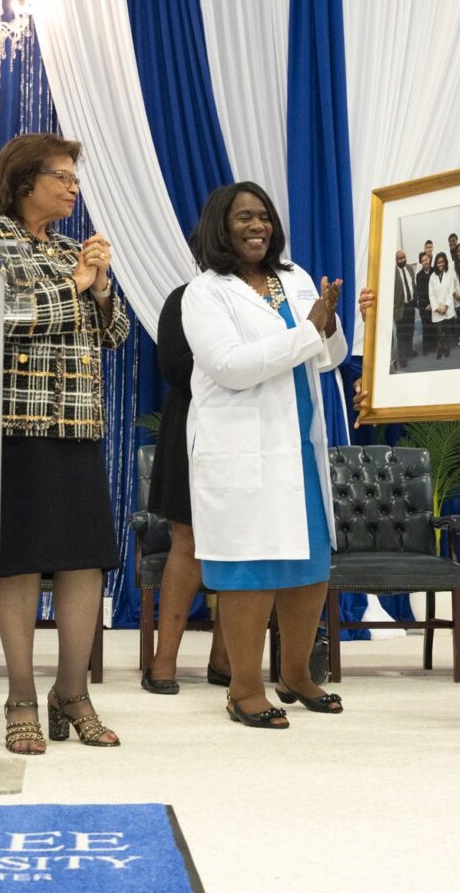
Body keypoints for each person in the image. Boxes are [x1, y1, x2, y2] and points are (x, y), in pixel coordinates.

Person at [0, 132, 130, 753]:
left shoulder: (67, 249)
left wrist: (103, 284)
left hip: (79, 422)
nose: (72, 188)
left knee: (84, 559)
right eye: (61, 176)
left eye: (74, 179)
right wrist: (76, 287)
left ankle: (74, 691)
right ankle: (22, 699)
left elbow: (114, 335)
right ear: (23, 180)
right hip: (15, 424)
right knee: (22, 561)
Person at [182, 181, 346, 729]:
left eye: (264, 217)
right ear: (220, 227)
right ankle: (244, 687)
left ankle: (296, 674)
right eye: (244, 218)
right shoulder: (205, 292)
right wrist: (308, 331)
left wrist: (333, 321)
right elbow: (229, 366)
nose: (257, 227)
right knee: (248, 567)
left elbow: (327, 357)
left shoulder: (294, 278)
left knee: (309, 565)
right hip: (242, 449)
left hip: (298, 444)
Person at [142, 282, 231, 694]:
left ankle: (226, 659)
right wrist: (235, 362)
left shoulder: (264, 300)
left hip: (251, 430)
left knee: (240, 545)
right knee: (188, 540)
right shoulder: (184, 297)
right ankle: (164, 661)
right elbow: (176, 367)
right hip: (192, 426)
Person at [389, 250, 418, 368]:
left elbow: (412, 285)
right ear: (396, 260)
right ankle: (402, 357)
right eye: (399, 259)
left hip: (410, 305)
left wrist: (415, 299)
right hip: (400, 308)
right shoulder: (392, 273)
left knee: (410, 330)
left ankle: (409, 350)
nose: (402, 260)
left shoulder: (410, 269)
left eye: (403, 258)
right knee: (401, 334)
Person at [426, 252, 455, 359]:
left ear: (445, 262)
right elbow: (431, 294)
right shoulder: (432, 277)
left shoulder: (449, 274)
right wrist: (437, 308)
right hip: (437, 310)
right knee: (438, 332)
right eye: (438, 262)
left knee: (446, 331)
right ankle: (440, 349)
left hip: (447, 308)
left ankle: (446, 348)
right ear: (436, 263)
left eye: (442, 262)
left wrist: (446, 306)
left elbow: (450, 291)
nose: (440, 264)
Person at [414, 250, 434, 360]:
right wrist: (426, 305)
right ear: (421, 263)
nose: (425, 262)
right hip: (423, 305)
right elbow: (420, 292)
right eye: (423, 261)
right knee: (426, 327)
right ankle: (426, 348)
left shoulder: (434, 271)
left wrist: (432, 304)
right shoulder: (419, 275)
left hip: (433, 304)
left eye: (426, 260)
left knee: (433, 326)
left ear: (429, 260)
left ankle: (433, 346)